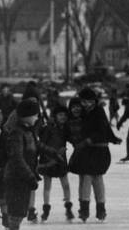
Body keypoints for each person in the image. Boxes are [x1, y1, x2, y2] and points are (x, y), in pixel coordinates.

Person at [69, 87, 121, 221]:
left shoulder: (97, 111)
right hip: (88, 150)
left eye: (88, 101)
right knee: (87, 177)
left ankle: (99, 209)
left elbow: (103, 129)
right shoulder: (84, 113)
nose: (85, 104)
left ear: (94, 101)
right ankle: (85, 208)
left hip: (98, 150)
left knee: (95, 178)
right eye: (83, 102)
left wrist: (112, 138)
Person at [0, 98, 42, 230]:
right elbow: (16, 158)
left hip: (22, 177)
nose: (37, 118)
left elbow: (36, 147)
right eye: (35, 115)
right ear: (27, 115)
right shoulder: (17, 133)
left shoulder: (27, 131)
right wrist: (30, 176)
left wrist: (54, 153)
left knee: (19, 211)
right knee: (16, 211)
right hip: (16, 178)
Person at [37, 104, 74, 222]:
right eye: (60, 115)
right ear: (55, 116)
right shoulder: (48, 128)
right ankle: (46, 209)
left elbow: (72, 139)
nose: (63, 117)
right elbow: (42, 144)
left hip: (61, 160)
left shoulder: (65, 128)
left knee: (66, 185)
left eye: (64, 115)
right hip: (48, 159)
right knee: (47, 186)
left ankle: (68, 207)